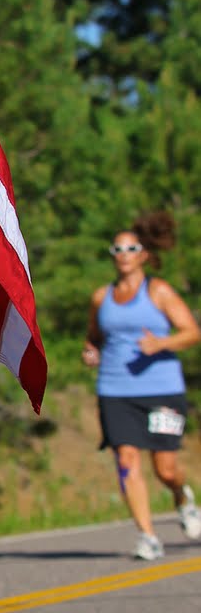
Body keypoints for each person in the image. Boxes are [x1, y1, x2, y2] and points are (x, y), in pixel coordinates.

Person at [82, 210, 201, 561]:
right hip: (115, 390)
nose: (122, 254)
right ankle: (147, 535)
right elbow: (94, 338)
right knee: (127, 458)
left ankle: (183, 497)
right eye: (116, 249)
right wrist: (92, 352)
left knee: (165, 468)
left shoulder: (159, 291)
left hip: (161, 389)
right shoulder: (101, 297)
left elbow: (192, 332)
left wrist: (160, 344)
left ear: (143, 255)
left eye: (130, 248)